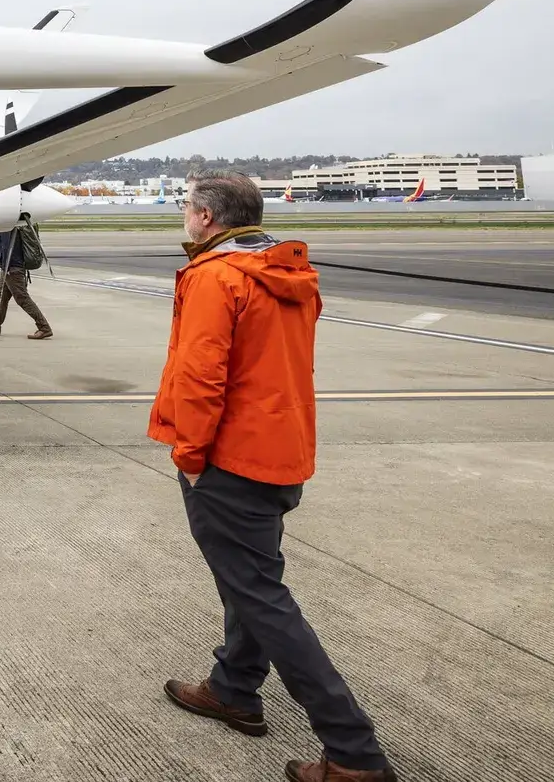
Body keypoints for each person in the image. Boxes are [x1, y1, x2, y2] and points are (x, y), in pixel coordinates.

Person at [154, 173, 395, 782]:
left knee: (261, 596)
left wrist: (190, 453)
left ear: (207, 218)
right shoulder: (290, 274)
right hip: (281, 450)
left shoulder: (216, 276)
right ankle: (234, 688)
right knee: (252, 579)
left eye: (187, 207)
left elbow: (201, 374)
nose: (184, 215)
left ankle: (352, 751)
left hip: (229, 458)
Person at [0, 212, 53, 339]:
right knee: (1, 296)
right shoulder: (6, 222)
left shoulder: (7, 223)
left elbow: (7, 246)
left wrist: (7, 267)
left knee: (22, 298)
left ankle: (44, 327)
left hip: (12, 267)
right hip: (7, 266)